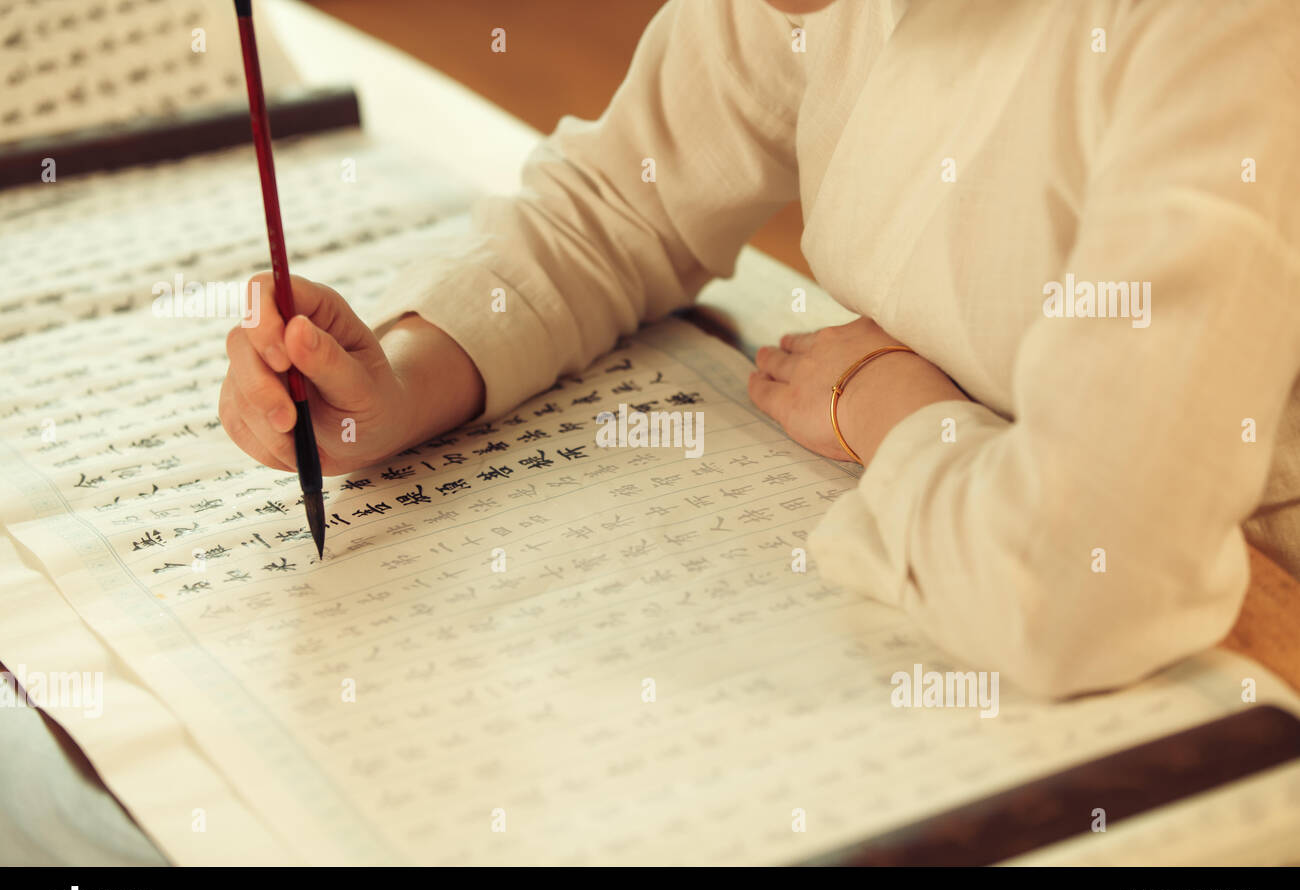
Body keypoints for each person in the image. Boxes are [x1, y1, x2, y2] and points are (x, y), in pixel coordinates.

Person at [220, 0, 1300, 697]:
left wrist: (884, 405)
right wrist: (397, 387)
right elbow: (615, 205)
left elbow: (1073, 585)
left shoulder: (1221, 32)